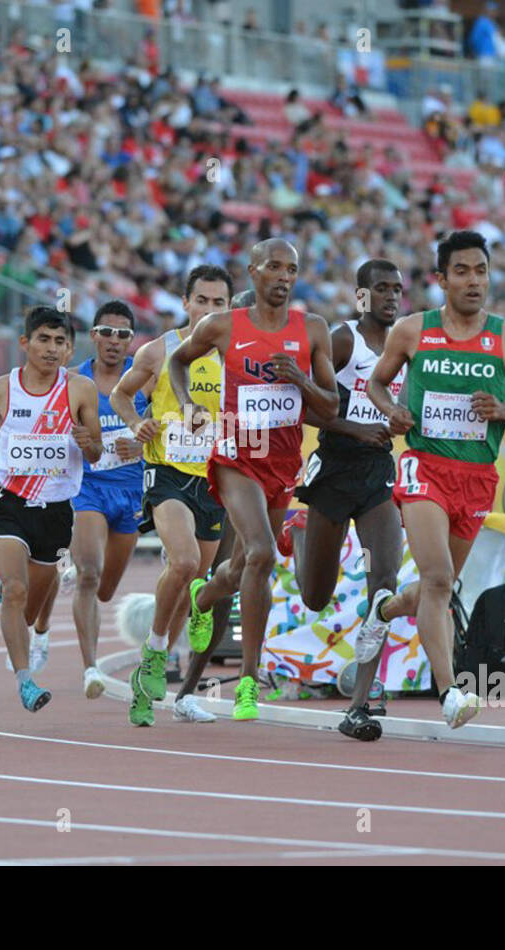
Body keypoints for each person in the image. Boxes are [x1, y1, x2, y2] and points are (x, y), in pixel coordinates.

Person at [367, 230, 505, 728]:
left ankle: (383, 611)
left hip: (476, 477)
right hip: (423, 467)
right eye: (463, 271)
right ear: (442, 279)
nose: (474, 281)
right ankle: (450, 693)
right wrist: (393, 412)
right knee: (439, 579)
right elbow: (377, 384)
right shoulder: (412, 331)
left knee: (433, 589)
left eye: (482, 271)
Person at [170, 238, 340, 721]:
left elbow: (331, 407)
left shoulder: (313, 330)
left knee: (243, 565)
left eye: (292, 268)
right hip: (234, 457)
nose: (284, 276)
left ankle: (203, 597)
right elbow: (178, 361)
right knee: (263, 553)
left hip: (283, 462)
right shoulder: (223, 325)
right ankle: (248, 682)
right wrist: (187, 405)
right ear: (253, 272)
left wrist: (301, 381)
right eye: (274, 267)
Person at [280, 259, 409, 742]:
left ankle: (359, 705)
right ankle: (300, 536)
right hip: (334, 470)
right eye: (381, 288)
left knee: (385, 584)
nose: (392, 297)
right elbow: (307, 404)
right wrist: (356, 428)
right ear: (362, 296)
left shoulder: (404, 346)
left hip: (377, 476)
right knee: (315, 598)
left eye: (398, 289)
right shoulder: (342, 339)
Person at [110, 265, 235, 726]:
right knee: (182, 563)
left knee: (194, 580)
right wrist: (135, 423)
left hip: (215, 479)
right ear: (185, 303)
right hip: (165, 473)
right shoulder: (160, 350)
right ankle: (157, 652)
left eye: (218, 303)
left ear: (229, 307)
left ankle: (148, 680)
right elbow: (123, 396)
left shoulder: (235, 354)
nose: (208, 310)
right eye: (200, 300)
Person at [0, 307, 103, 713]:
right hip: (10, 505)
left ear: (70, 349)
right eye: (44, 339)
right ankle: (25, 681)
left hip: (57, 512)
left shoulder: (80, 390)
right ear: (25, 342)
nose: (52, 348)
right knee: (17, 590)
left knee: (29, 608)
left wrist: (86, 442)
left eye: (61, 342)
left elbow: (95, 453)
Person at [59, 300, 150, 699]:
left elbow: (170, 432)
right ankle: (90, 668)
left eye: (123, 335)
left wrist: (143, 446)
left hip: (131, 492)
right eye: (107, 332)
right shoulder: (72, 381)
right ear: (93, 335)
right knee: (91, 574)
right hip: (88, 488)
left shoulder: (144, 380)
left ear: (133, 341)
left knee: (107, 589)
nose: (114, 341)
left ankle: (77, 571)